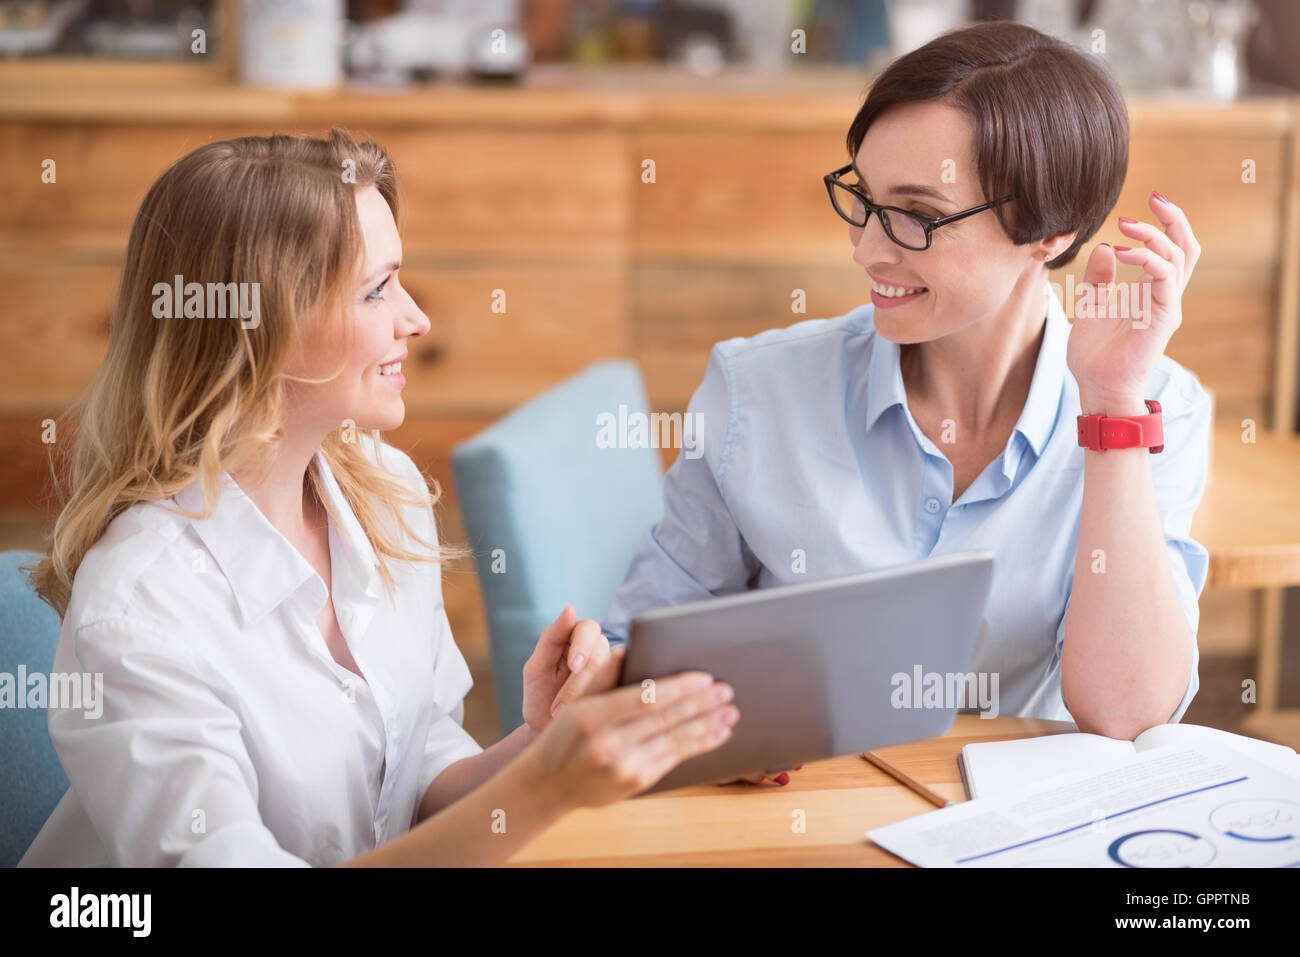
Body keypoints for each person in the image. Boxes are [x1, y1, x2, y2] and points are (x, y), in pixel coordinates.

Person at [18, 129, 738, 867]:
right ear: (257, 327)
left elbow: (421, 780)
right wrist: (543, 789)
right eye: (376, 289)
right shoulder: (140, 609)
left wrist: (552, 738)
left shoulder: (382, 490)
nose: (415, 319)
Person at [602, 21, 1211, 774]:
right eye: (864, 196)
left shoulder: (1156, 409)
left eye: (918, 216)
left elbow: (1125, 715)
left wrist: (1110, 407)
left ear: (1052, 233)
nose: (866, 249)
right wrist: (691, 711)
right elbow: (638, 650)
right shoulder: (758, 391)